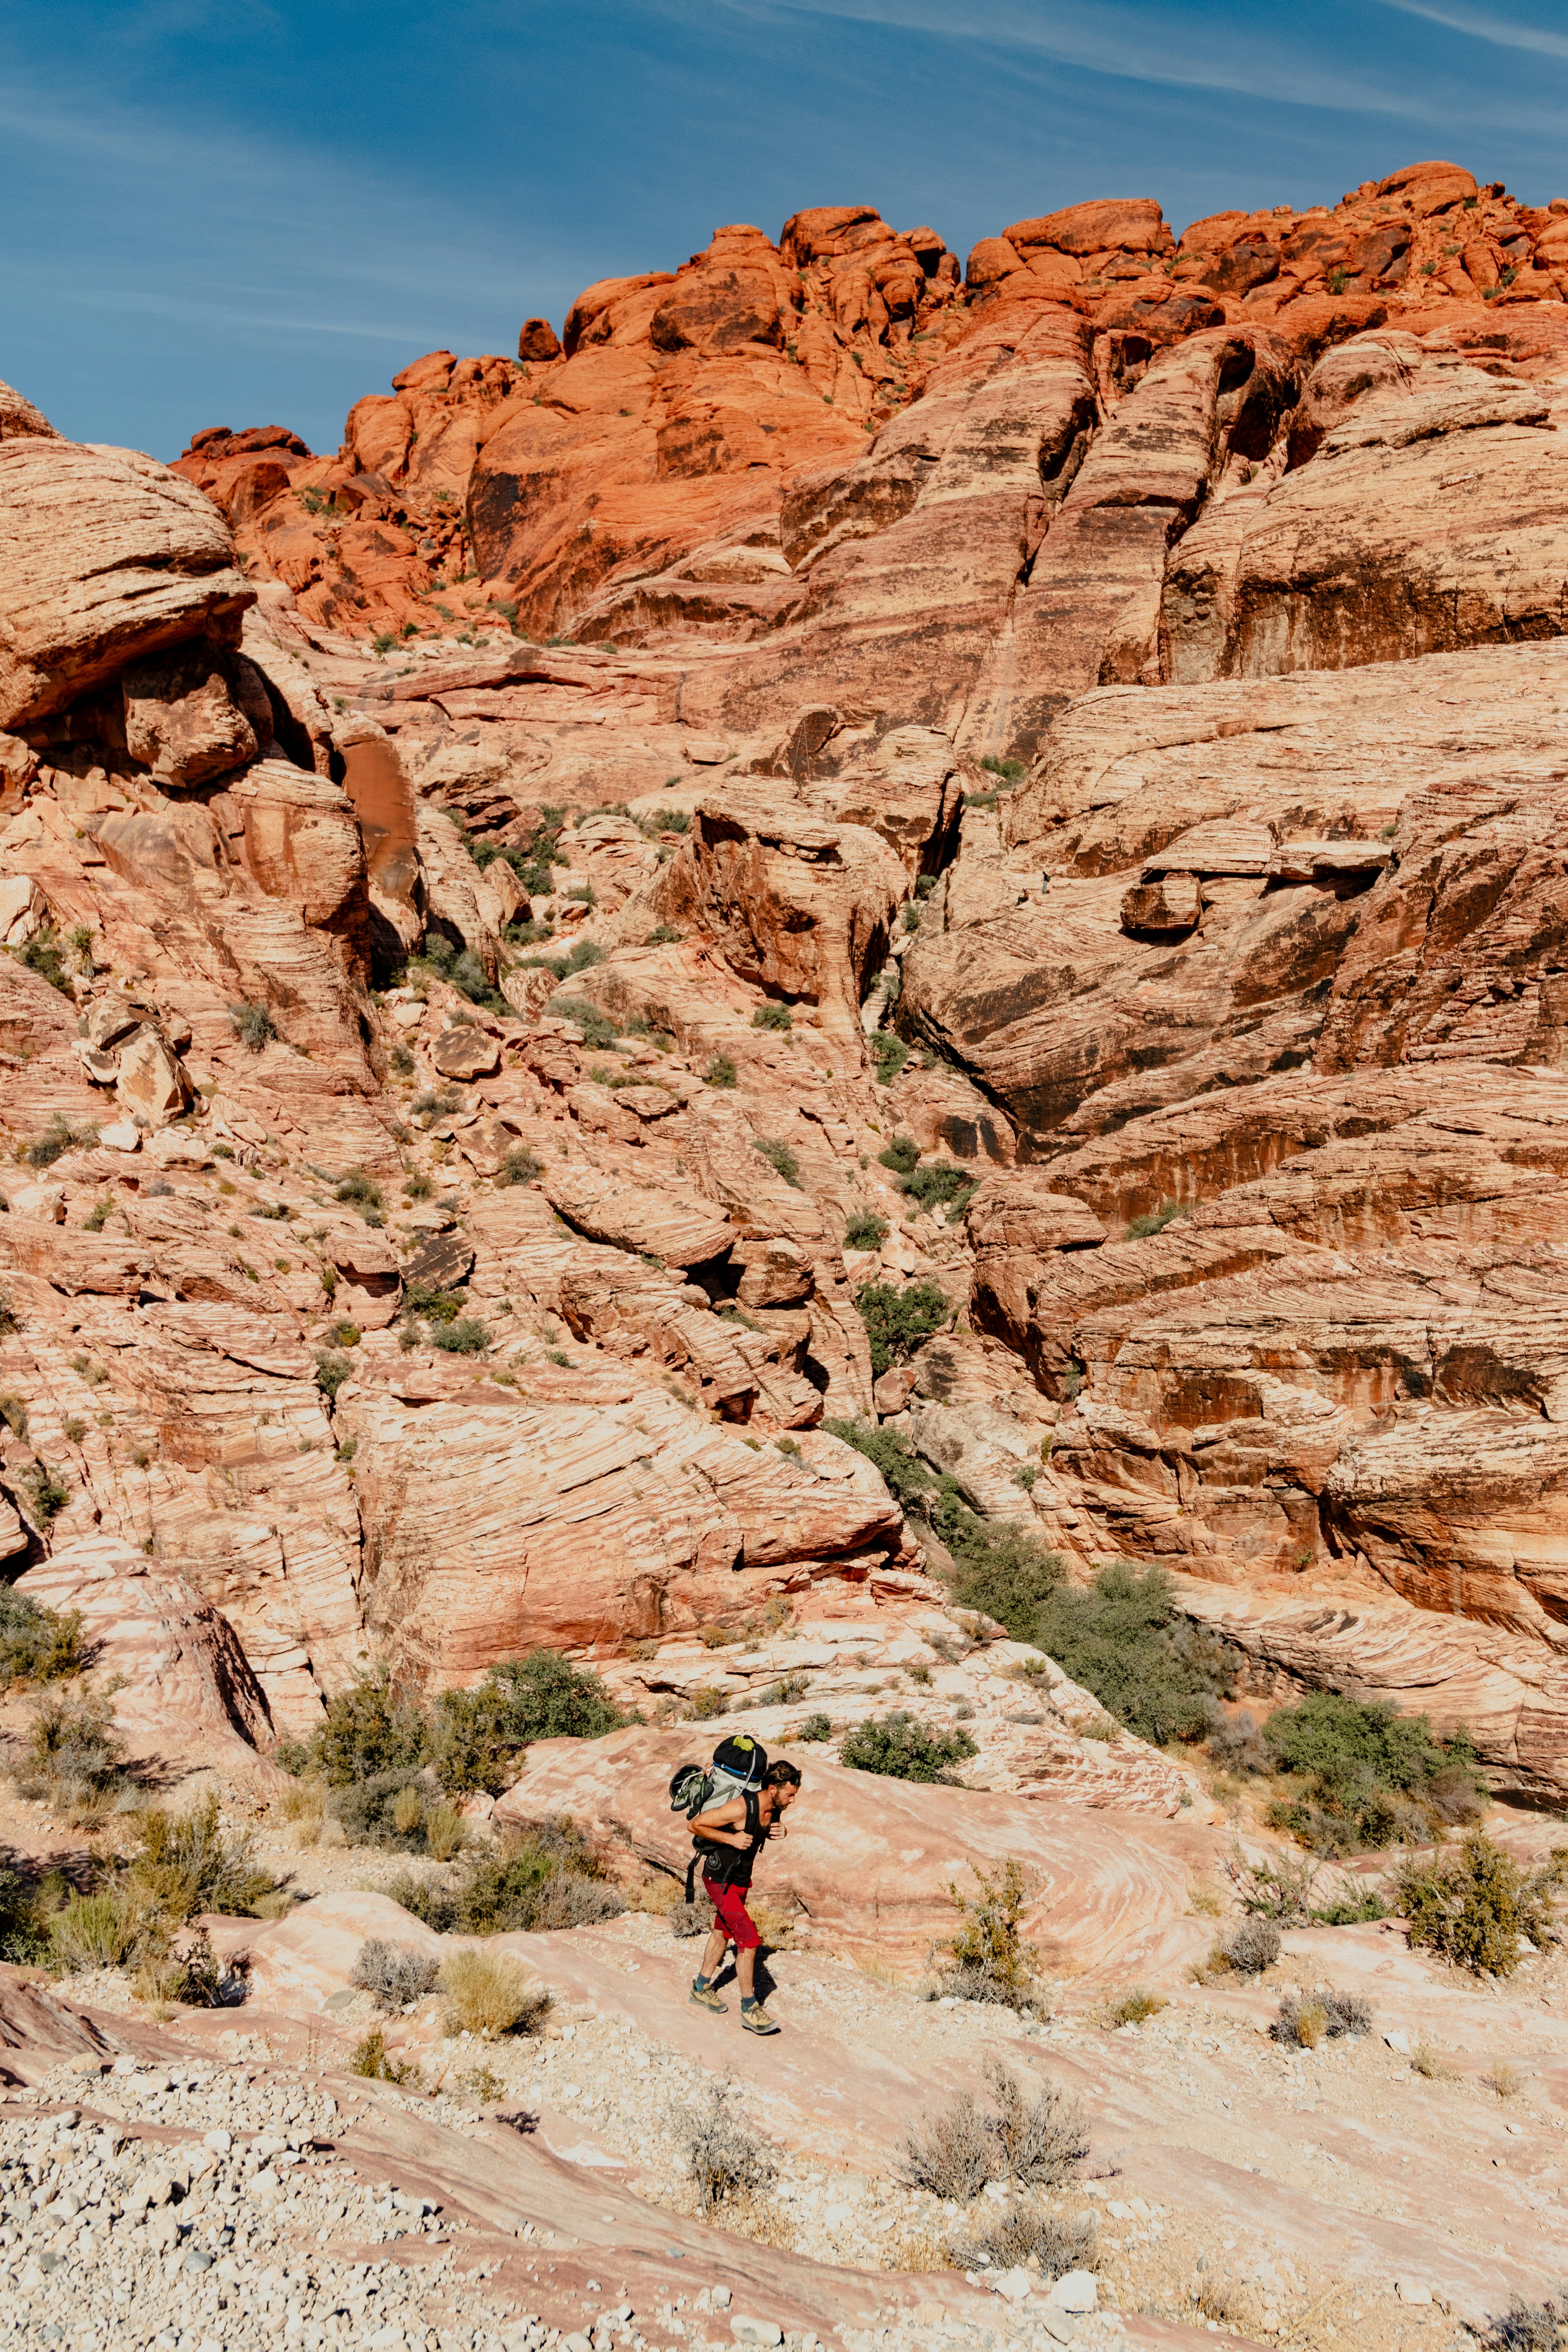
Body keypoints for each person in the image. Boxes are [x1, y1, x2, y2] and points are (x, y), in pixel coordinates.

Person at [688, 1757, 802, 2035]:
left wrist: (782, 1831)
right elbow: (696, 1825)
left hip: (740, 1882)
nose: (793, 1801)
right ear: (773, 1789)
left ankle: (701, 1988)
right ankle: (750, 2009)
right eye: (790, 1795)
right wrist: (731, 1839)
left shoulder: (773, 1809)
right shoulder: (740, 1807)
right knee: (749, 1941)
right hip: (719, 1880)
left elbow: (768, 1830)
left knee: (722, 1933)